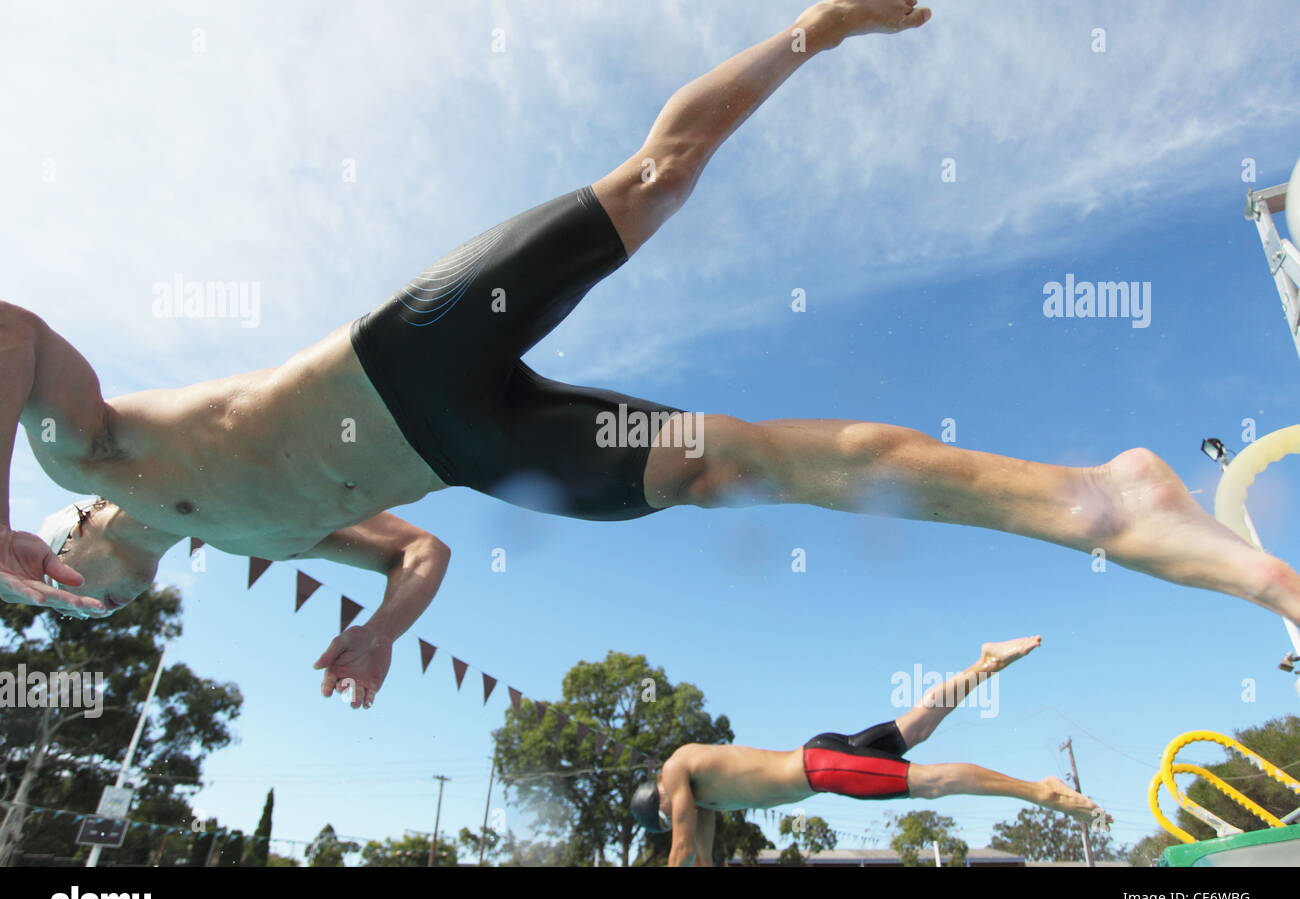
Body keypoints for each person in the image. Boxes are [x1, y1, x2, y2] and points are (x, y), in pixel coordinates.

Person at [2, 1, 1297, 711]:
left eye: (39, 594)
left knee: (654, 181)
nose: (71, 607)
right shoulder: (249, 545)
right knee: (751, 469)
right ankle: (1102, 498)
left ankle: (814, 28)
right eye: (60, 620)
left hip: (413, 353)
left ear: (52, 542)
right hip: (491, 449)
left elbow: (11, 334)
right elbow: (420, 549)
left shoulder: (85, 447)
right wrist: (389, 632)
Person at [630, 636, 1104, 866]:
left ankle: (1041, 791)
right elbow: (700, 858)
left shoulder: (675, 769)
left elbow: (682, 849)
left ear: (659, 798)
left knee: (932, 783)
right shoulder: (702, 797)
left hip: (824, 770)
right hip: (823, 754)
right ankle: (985, 664)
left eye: (668, 815)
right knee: (916, 726)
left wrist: (681, 843)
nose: (677, 818)